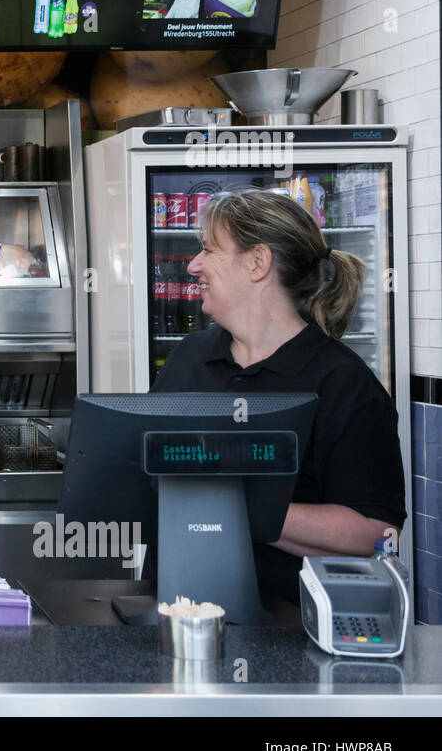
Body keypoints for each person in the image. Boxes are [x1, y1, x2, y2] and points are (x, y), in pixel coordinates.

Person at [152, 191, 405, 605]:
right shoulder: (191, 356)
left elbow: (378, 533)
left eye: (208, 249)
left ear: (258, 263)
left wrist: (233, 506)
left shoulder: (343, 383)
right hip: (178, 617)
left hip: (290, 637)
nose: (193, 264)